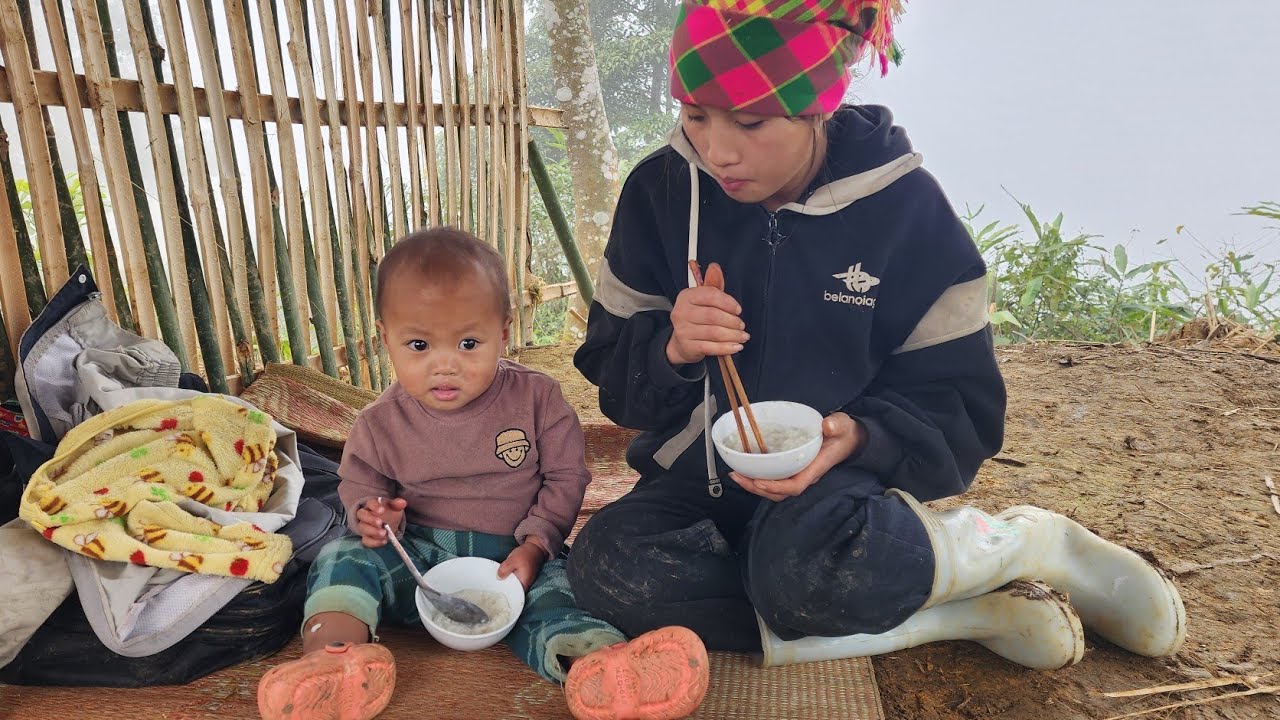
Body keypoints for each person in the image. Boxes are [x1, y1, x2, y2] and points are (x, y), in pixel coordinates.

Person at [569, 0, 1186, 675]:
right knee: (608, 570)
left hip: (841, 491)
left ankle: (1026, 544)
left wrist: (858, 439)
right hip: (702, 478)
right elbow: (612, 370)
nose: (717, 150)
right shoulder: (659, 193)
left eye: (750, 122)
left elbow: (961, 408)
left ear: (817, 108)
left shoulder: (909, 214)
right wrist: (672, 350)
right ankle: (964, 616)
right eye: (694, 115)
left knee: (802, 570)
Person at [257, 228, 709, 720]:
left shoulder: (537, 399)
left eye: (469, 342)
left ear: (505, 330)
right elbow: (361, 482)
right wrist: (372, 514)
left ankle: (599, 666)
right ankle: (333, 662)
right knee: (341, 558)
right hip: (418, 562)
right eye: (419, 344)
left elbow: (566, 478)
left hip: (514, 560)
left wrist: (538, 546)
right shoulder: (379, 422)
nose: (444, 365)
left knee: (560, 596)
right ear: (386, 337)